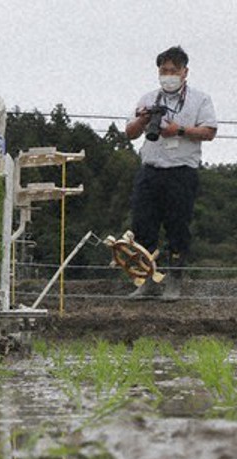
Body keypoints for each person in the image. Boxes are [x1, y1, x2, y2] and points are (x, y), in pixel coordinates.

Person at [125, 46, 217, 302]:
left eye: (173, 71)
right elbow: (130, 133)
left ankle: (174, 279)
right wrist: (144, 120)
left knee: (178, 227)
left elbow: (209, 131)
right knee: (143, 225)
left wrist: (179, 130)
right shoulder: (147, 98)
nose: (168, 75)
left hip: (182, 171)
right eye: (163, 71)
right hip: (150, 170)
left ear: (184, 72)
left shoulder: (200, 99)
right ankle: (147, 281)